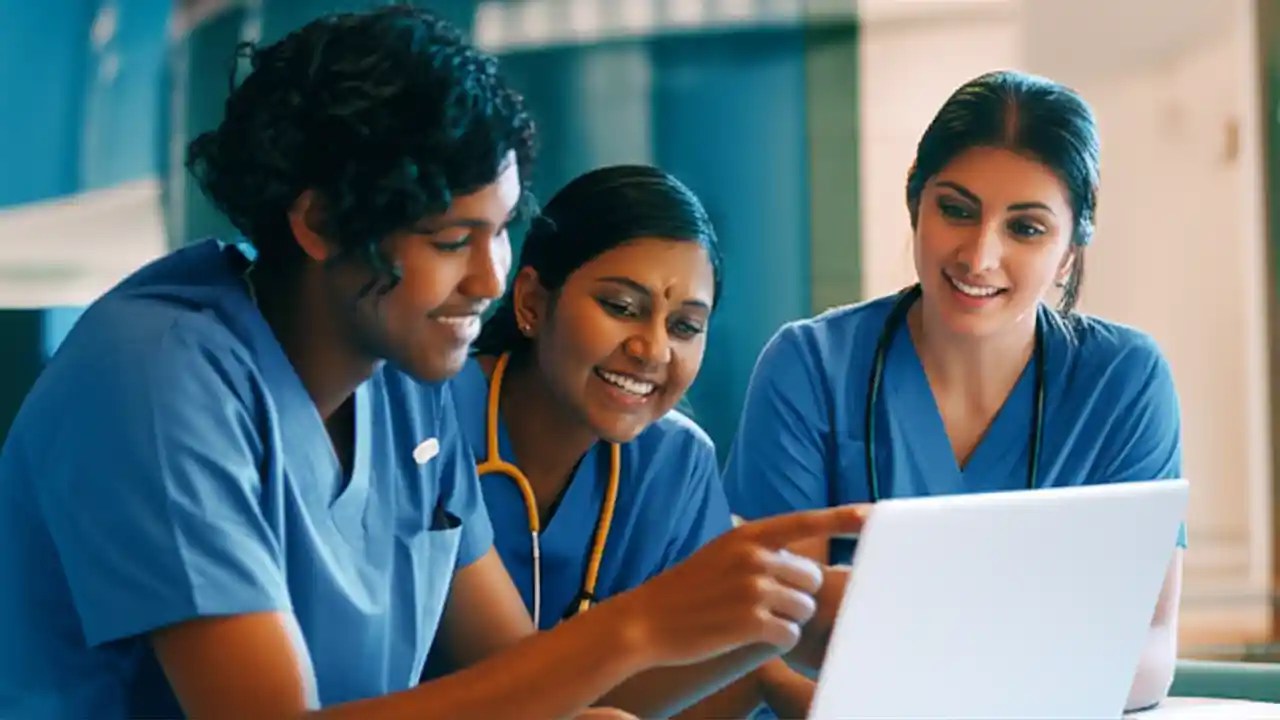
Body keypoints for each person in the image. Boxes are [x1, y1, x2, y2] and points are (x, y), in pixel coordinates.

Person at [0, 8, 862, 718]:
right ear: (320, 222)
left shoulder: (405, 385)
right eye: (452, 241)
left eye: (501, 231)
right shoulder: (159, 376)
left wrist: (777, 623)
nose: (490, 281)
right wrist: (638, 625)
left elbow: (527, 687)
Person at [723, 70, 1186, 712]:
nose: (979, 256)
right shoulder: (810, 368)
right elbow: (773, 640)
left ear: (1071, 247)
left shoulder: (1123, 382)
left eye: (1026, 229)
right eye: (957, 210)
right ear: (916, 199)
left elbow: (1150, 646)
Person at [425, 163, 816, 718]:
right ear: (532, 302)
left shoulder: (675, 464)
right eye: (621, 308)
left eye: (684, 327)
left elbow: (671, 690)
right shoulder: (429, 415)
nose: (653, 350)